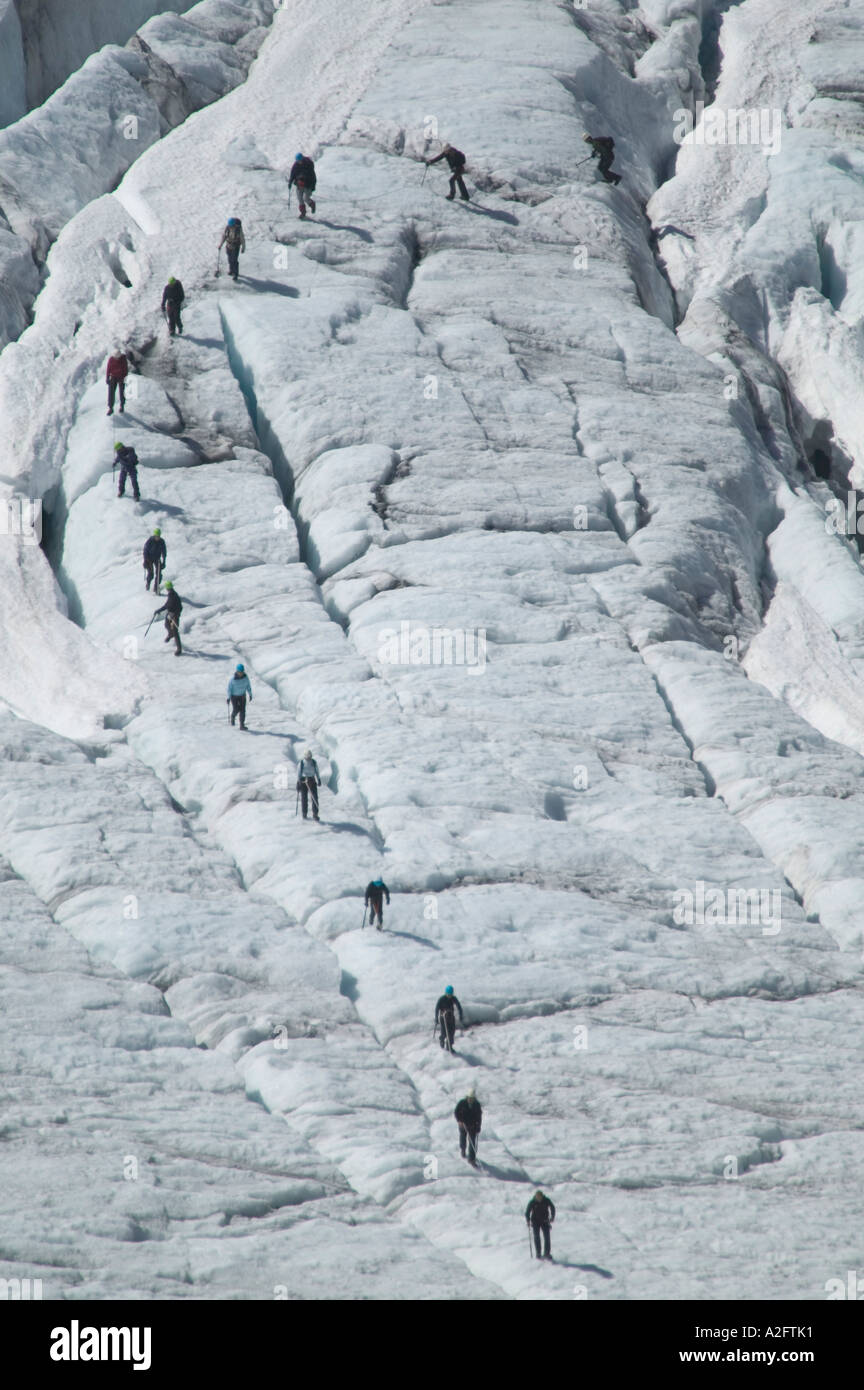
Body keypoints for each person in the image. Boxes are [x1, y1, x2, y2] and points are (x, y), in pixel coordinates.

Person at [153, 580, 182, 656]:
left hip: (174, 616)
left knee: (175, 631)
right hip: (170, 614)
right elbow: (167, 605)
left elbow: (170, 606)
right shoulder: (171, 594)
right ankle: (170, 634)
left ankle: (179, 649)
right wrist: (159, 610)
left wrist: (175, 614)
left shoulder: (173, 596)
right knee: (166, 625)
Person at [525, 1189, 556, 1260]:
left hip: (545, 1221)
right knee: (537, 1237)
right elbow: (527, 1212)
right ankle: (538, 1253)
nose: (539, 1198)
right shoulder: (532, 1202)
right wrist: (528, 1220)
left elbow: (552, 1207)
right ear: (535, 1196)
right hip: (535, 1222)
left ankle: (546, 1253)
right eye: (537, 1197)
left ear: (542, 1196)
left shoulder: (546, 1200)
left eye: (540, 1197)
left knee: (547, 1237)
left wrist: (552, 1217)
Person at [454, 1088, 482, 1166]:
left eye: (472, 1098)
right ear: (467, 1097)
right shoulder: (462, 1103)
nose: (471, 1100)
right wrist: (459, 1121)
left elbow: (479, 1117)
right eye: (469, 1098)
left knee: (472, 1141)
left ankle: (471, 1159)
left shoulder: (477, 1105)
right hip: (463, 1124)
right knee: (463, 1137)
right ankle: (463, 1149)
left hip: (472, 1125)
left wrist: (478, 1126)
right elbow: (456, 1112)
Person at [435, 985, 464, 1050]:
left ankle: (449, 1046)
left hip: (451, 1017)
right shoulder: (441, 999)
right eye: (448, 994)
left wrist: (461, 1015)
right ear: (446, 993)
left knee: (452, 1032)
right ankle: (442, 1040)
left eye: (451, 994)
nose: (449, 996)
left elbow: (459, 1006)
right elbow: (437, 1009)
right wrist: (436, 1018)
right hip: (443, 1018)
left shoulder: (454, 998)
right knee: (444, 1032)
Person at [288, 153, 317, 219]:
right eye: (298, 161)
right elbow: (293, 174)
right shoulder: (296, 165)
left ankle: (312, 204)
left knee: (306, 198)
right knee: (300, 198)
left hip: (308, 185)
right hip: (299, 184)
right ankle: (303, 213)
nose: (299, 162)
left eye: (300, 160)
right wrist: (290, 182)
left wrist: (313, 186)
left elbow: (313, 177)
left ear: (302, 159)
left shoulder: (308, 165)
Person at [297, 747, 322, 820]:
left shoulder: (314, 762)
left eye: (309, 757)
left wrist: (319, 779)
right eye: (307, 757)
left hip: (312, 780)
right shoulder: (301, 763)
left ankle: (315, 814)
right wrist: (298, 782)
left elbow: (317, 771)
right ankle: (304, 813)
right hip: (303, 781)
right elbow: (298, 773)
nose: (308, 758)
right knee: (304, 798)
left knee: (315, 797)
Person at [227, 663, 252, 729]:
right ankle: (233, 716)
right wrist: (228, 697)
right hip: (234, 696)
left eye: (242, 672)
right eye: (239, 672)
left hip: (242, 696)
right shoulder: (233, 680)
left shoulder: (246, 678)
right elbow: (229, 689)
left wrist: (250, 694)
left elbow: (248, 686)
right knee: (236, 709)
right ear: (237, 671)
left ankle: (242, 725)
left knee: (243, 710)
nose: (240, 673)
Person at [143, 528, 166, 592]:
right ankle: (148, 583)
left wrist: (164, 561)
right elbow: (145, 551)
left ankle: (156, 587)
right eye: (156, 536)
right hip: (149, 559)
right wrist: (145, 561)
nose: (157, 538)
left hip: (157, 558)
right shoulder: (150, 541)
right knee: (151, 574)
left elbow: (164, 552)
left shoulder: (162, 541)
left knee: (159, 574)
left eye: (158, 536)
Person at [105, 349, 128, 415]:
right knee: (111, 392)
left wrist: (125, 377)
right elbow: (108, 369)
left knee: (122, 392)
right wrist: (107, 378)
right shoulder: (111, 359)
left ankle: (122, 406)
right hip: (113, 377)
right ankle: (111, 408)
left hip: (121, 377)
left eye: (117, 357)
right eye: (115, 357)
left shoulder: (123, 359)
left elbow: (125, 369)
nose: (116, 359)